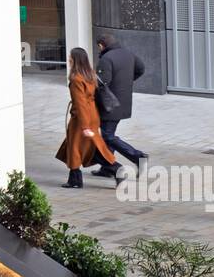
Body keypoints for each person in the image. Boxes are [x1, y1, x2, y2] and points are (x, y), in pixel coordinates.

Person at [55, 47, 117, 188]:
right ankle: (75, 179)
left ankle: (116, 169)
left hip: (82, 118)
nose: (69, 59)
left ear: (75, 60)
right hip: (92, 114)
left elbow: (80, 103)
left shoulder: (76, 78)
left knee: (79, 147)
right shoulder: (89, 74)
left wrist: (84, 127)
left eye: (70, 57)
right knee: (80, 147)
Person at [92, 34, 149, 178]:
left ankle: (138, 156)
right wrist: (126, 81)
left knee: (107, 136)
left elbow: (102, 83)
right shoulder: (128, 54)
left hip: (109, 104)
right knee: (108, 134)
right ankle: (107, 167)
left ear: (101, 45)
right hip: (123, 101)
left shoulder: (106, 59)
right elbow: (141, 69)